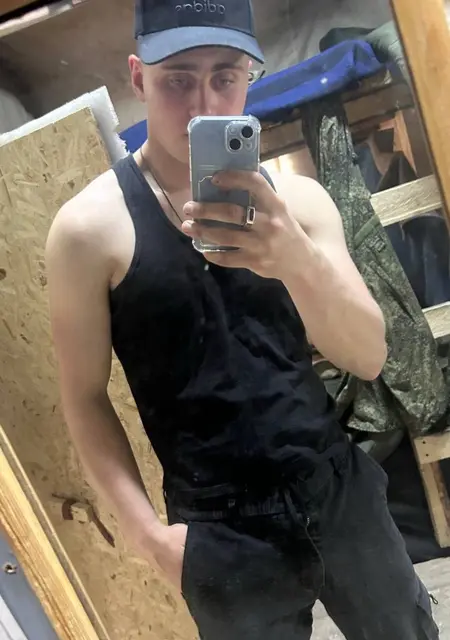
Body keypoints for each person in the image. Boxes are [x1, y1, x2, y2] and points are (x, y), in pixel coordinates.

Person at [45, 1, 439, 638]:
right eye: (178, 80)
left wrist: (296, 259)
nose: (203, 104)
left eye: (225, 77)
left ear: (249, 77)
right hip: (216, 527)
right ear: (139, 77)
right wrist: (149, 539)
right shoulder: (87, 231)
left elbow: (367, 357)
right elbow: (84, 397)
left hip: (334, 486)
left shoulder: (298, 203)